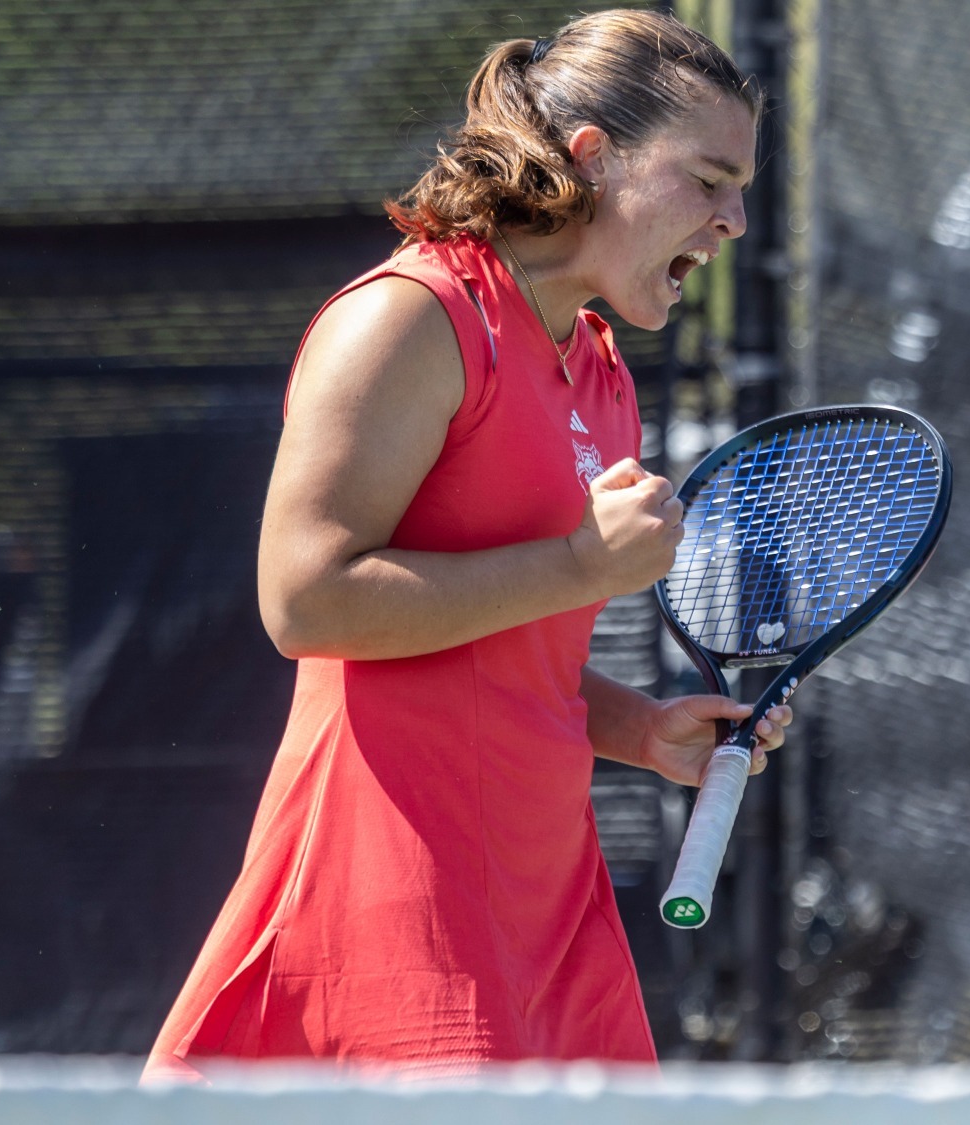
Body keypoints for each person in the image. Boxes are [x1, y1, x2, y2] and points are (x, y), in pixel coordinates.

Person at [144, 10, 791, 1079]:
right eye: (708, 179)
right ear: (594, 157)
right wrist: (580, 566)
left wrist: (641, 729)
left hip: (550, 906)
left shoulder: (600, 371)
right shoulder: (411, 317)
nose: (732, 220)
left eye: (742, 190)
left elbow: (503, 648)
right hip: (398, 893)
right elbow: (304, 599)